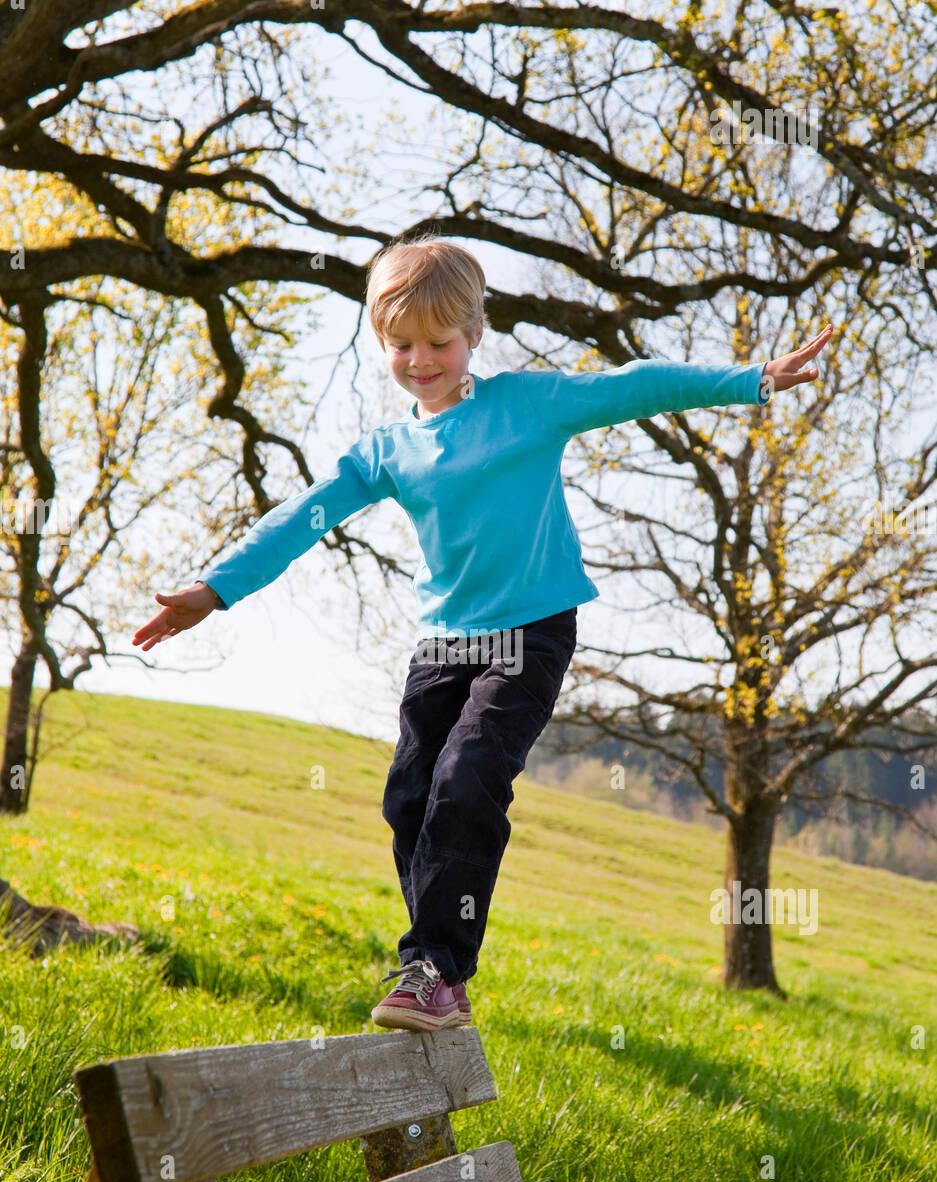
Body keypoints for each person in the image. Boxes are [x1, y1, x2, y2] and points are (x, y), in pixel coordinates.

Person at [132, 235, 832, 1032]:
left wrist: (753, 380)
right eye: (401, 345)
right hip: (442, 645)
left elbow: (633, 386)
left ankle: (434, 966)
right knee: (409, 798)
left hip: (530, 632)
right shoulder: (384, 452)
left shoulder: (527, 404)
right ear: (379, 343)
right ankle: (437, 976)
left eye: (439, 342)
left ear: (474, 334)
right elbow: (301, 517)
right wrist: (214, 588)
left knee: (466, 779)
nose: (420, 359)